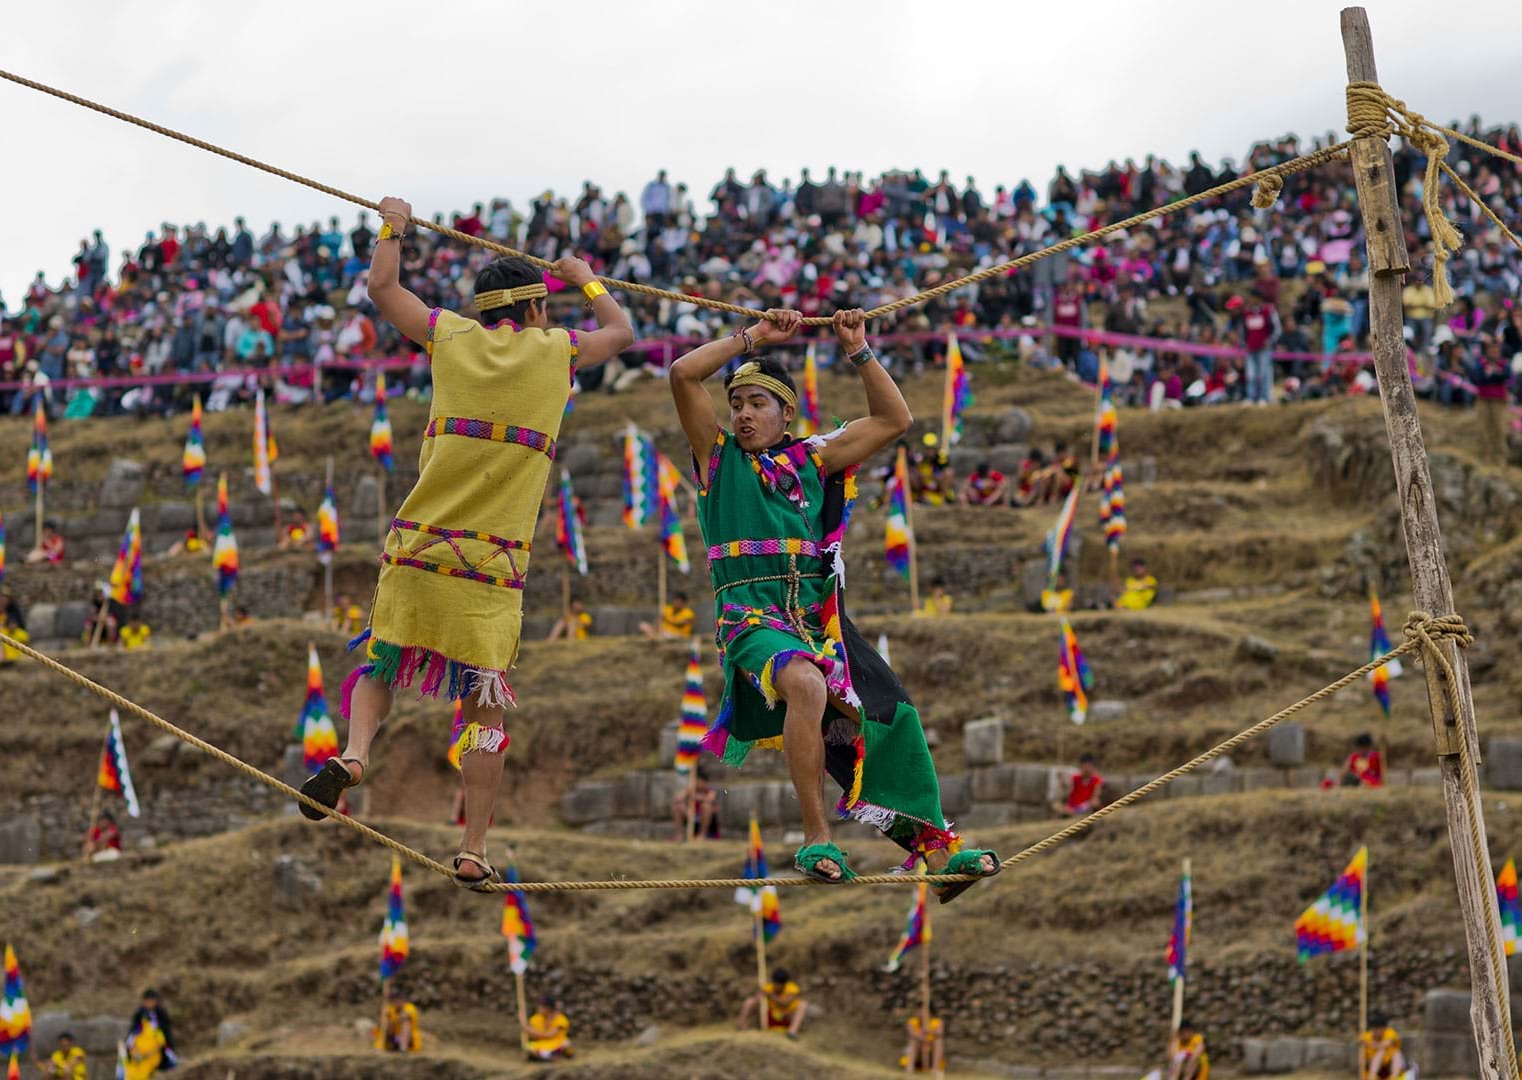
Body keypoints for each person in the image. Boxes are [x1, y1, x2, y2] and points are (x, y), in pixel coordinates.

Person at [299, 196, 634, 887]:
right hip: (490, 568)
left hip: (419, 548)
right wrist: (587, 279)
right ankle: (474, 847)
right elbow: (622, 332)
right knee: (484, 708)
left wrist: (393, 223)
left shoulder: (451, 336)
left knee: (383, 664)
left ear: (486, 312)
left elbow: (382, 287)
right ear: (537, 310)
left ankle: (356, 753)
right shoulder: (559, 350)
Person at [667, 308, 998, 899]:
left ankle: (938, 850)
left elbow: (896, 419)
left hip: (817, 623)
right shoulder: (716, 460)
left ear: (786, 413)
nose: (742, 412)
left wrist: (858, 347)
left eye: (756, 403)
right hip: (751, 619)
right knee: (810, 688)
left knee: (891, 718)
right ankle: (817, 838)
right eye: (736, 402)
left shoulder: (813, 460)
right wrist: (752, 339)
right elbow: (682, 375)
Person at [737, 967, 806, 1038]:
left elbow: (786, 1003)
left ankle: (792, 1031)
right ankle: (741, 1025)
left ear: (785, 984)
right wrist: (759, 996)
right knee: (749, 1001)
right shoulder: (768, 988)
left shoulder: (792, 988)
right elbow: (756, 1000)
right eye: (776, 984)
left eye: (779, 985)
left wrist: (771, 995)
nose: (777, 987)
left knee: (802, 1004)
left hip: (786, 1017)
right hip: (770, 1017)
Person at [127, 989, 177, 1078]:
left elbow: (163, 1038)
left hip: (153, 1054)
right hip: (137, 1053)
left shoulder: (160, 1014)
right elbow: (132, 1035)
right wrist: (134, 1051)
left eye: (151, 1001)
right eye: (147, 1001)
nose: (149, 1003)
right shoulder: (139, 1014)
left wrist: (149, 1053)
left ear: (155, 1001)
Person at [1362, 1012, 1412, 1080]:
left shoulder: (1390, 1033)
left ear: (1383, 1028)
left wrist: (1371, 1044)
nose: (1376, 1031)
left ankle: (1394, 1077)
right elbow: (1361, 1041)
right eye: (1374, 1028)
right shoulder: (1367, 1036)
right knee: (1380, 1052)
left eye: (1378, 1028)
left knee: (1396, 1053)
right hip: (1373, 1065)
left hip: (1389, 1065)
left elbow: (1385, 1044)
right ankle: (1372, 1077)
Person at [525, 996, 573, 1061]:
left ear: (549, 1008)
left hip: (556, 1043)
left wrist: (531, 1031)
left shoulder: (561, 1019)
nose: (539, 1008)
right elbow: (533, 1037)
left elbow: (550, 1035)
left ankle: (548, 1056)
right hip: (542, 1044)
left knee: (566, 1043)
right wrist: (527, 1029)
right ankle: (550, 1057)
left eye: (542, 1007)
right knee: (528, 1047)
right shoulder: (535, 1018)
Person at [673, 775, 719, 841]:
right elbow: (677, 798)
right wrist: (687, 791)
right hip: (691, 817)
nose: (698, 784)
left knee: (706, 806)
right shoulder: (691, 790)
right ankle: (679, 835)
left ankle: (702, 835)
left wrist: (697, 797)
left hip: (706, 821)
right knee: (678, 806)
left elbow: (710, 799)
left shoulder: (711, 791)